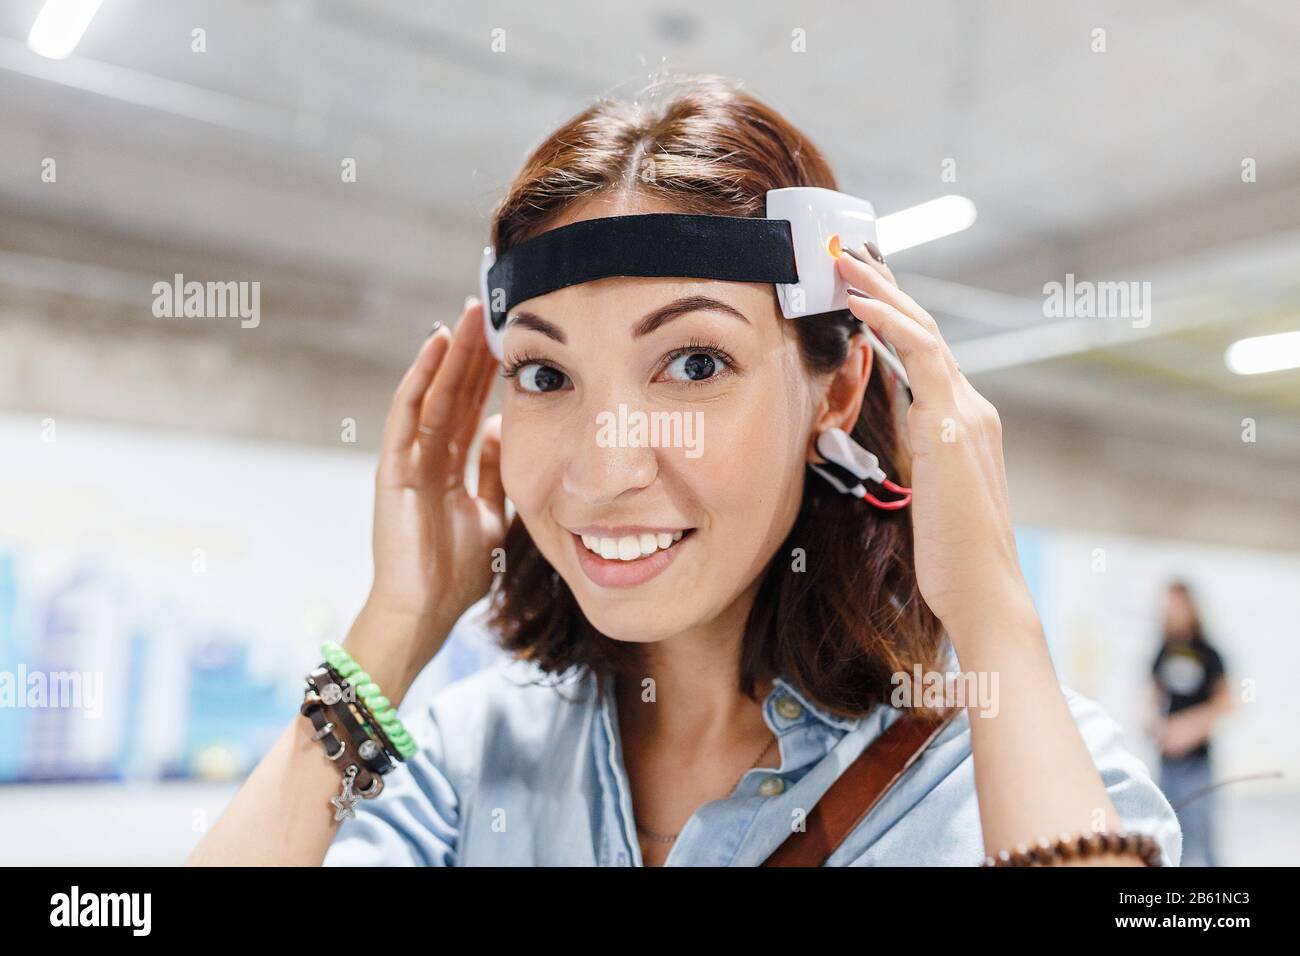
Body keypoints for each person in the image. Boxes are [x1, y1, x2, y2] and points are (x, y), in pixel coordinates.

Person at [188, 73, 1180, 867]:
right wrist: (393, 628)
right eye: (545, 373)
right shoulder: (468, 760)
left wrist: (992, 613)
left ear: (833, 397)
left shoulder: (1012, 766)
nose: (604, 466)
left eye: (695, 363)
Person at [1149, 581, 1234, 866]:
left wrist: (1189, 728)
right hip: (1167, 762)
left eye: (1176, 604)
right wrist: (1153, 723)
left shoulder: (1208, 652)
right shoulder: (1164, 649)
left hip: (1196, 763)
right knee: (1170, 837)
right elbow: (1151, 694)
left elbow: (1227, 702)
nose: (1170, 611)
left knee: (1203, 836)